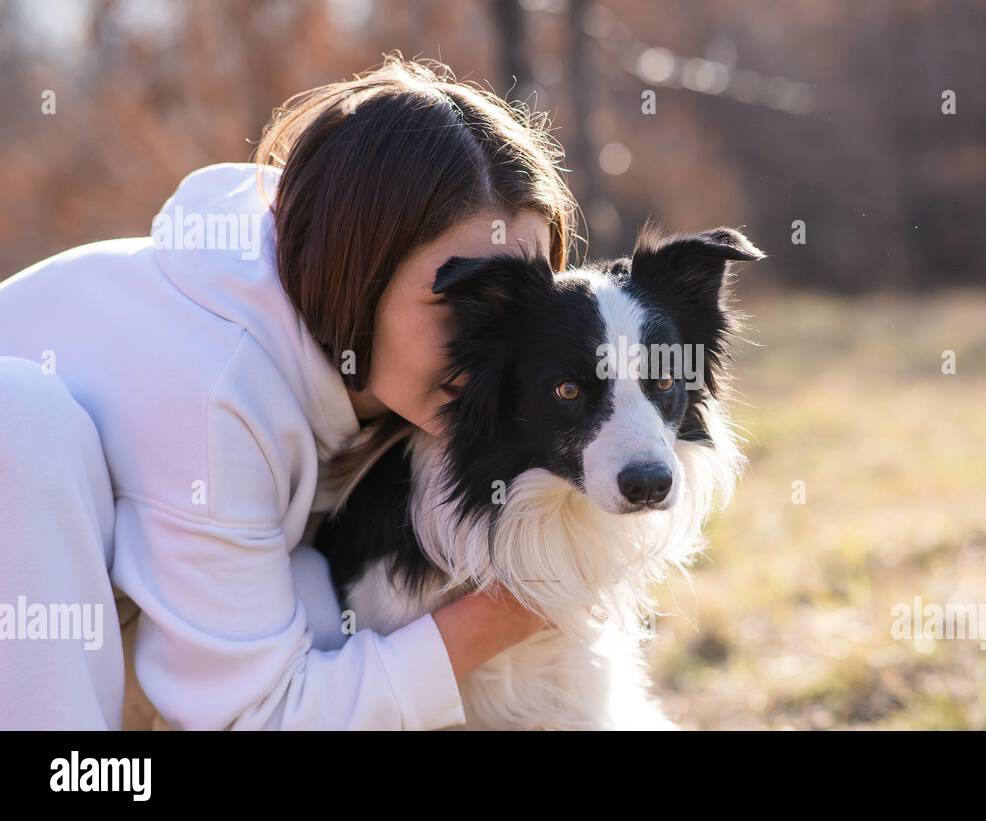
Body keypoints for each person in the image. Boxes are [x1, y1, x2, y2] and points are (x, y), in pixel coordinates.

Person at [0, 57, 574, 730]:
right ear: (356, 265)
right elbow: (262, 716)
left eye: (525, 300)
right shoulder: (212, 387)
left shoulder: (371, 364)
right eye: (467, 298)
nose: (505, 345)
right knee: (18, 415)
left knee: (315, 596)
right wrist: (526, 602)